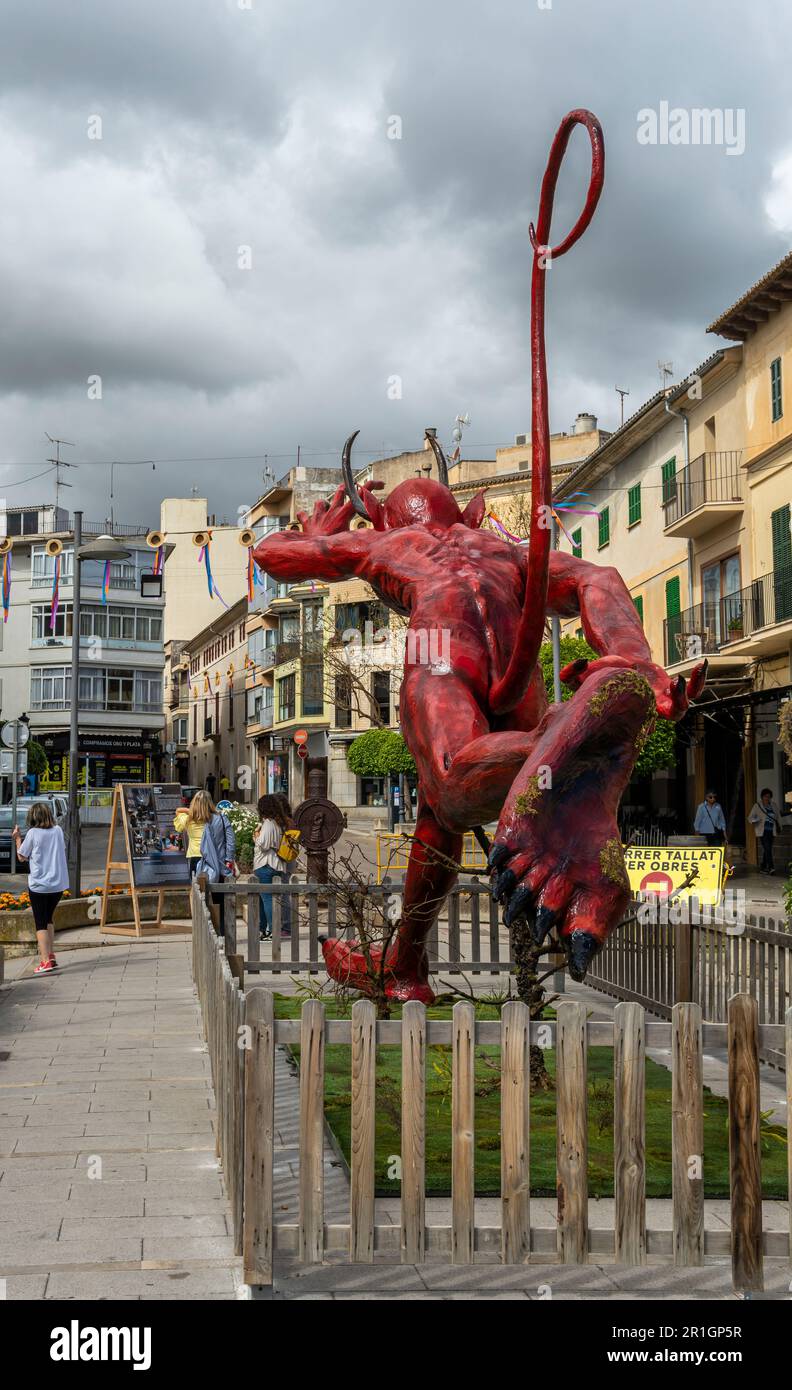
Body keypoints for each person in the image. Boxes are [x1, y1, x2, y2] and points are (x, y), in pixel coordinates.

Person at [13, 803, 69, 975]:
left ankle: (45, 962)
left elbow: (22, 856)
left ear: (33, 817)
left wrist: (17, 838)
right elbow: (62, 849)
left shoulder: (33, 833)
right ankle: (51, 956)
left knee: (40, 923)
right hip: (58, 884)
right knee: (48, 918)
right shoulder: (58, 830)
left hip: (39, 885)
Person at [253, 794, 294, 939]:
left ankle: (272, 931)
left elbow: (263, 845)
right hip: (275, 864)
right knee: (267, 899)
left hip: (265, 864)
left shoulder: (268, 823)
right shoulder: (277, 823)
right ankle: (264, 930)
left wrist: (256, 837)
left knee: (267, 899)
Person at [749, 788, 782, 875]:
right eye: (765, 796)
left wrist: (780, 827)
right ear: (762, 797)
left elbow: (778, 817)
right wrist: (756, 819)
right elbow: (750, 818)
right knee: (768, 848)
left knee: (767, 849)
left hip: (772, 831)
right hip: (762, 831)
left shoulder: (774, 805)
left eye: (769, 796)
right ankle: (771, 867)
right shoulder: (757, 805)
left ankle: (763, 867)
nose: (767, 798)